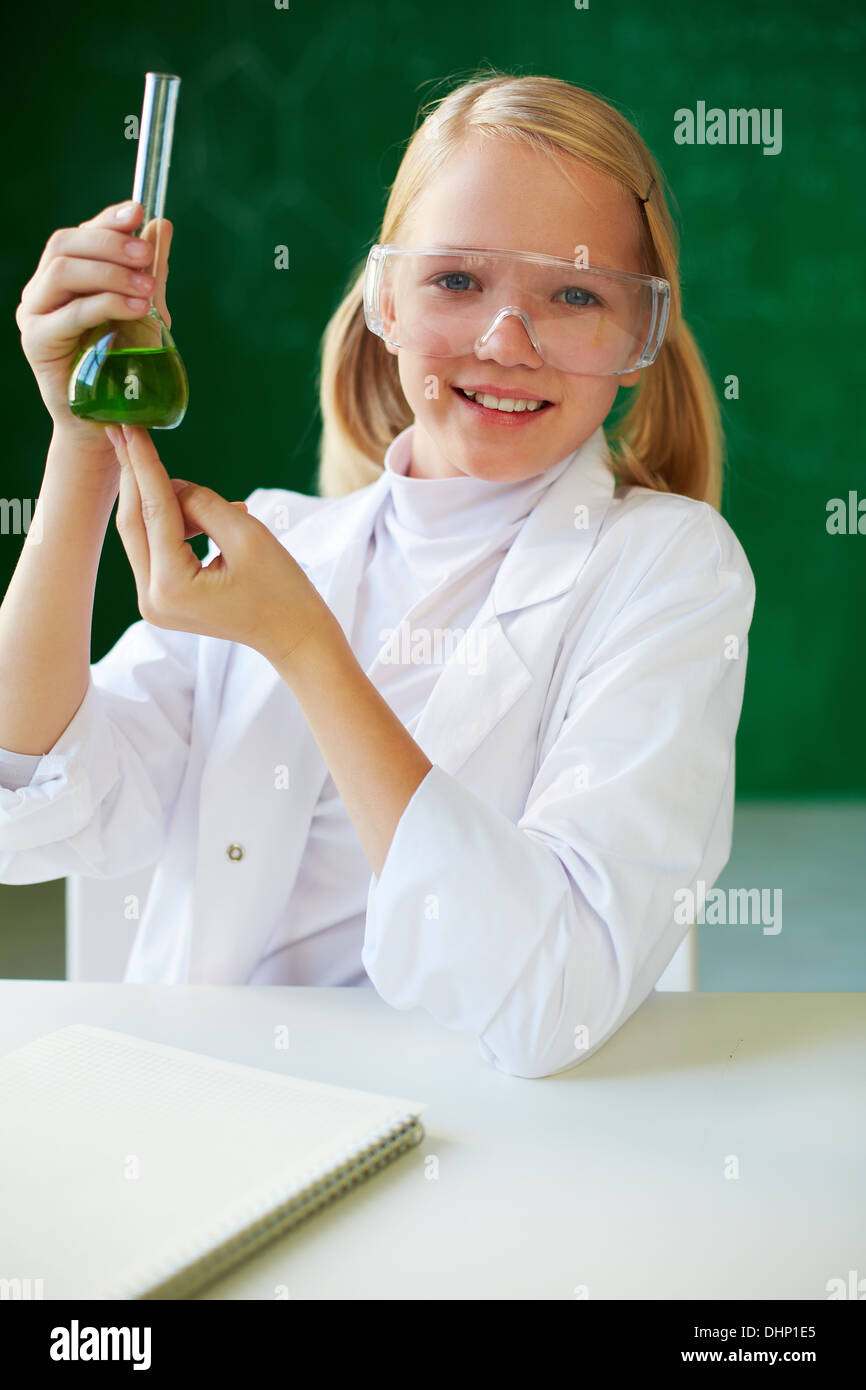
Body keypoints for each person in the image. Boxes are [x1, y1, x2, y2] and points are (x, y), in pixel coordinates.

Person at [0, 70, 755, 1079]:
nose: (505, 342)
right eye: (456, 281)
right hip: (210, 1113)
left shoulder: (666, 570)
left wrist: (303, 646)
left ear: (635, 340)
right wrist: (80, 435)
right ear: (384, 304)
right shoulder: (277, 543)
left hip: (480, 1146)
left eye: (573, 294)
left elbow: (549, 1005)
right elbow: (35, 803)